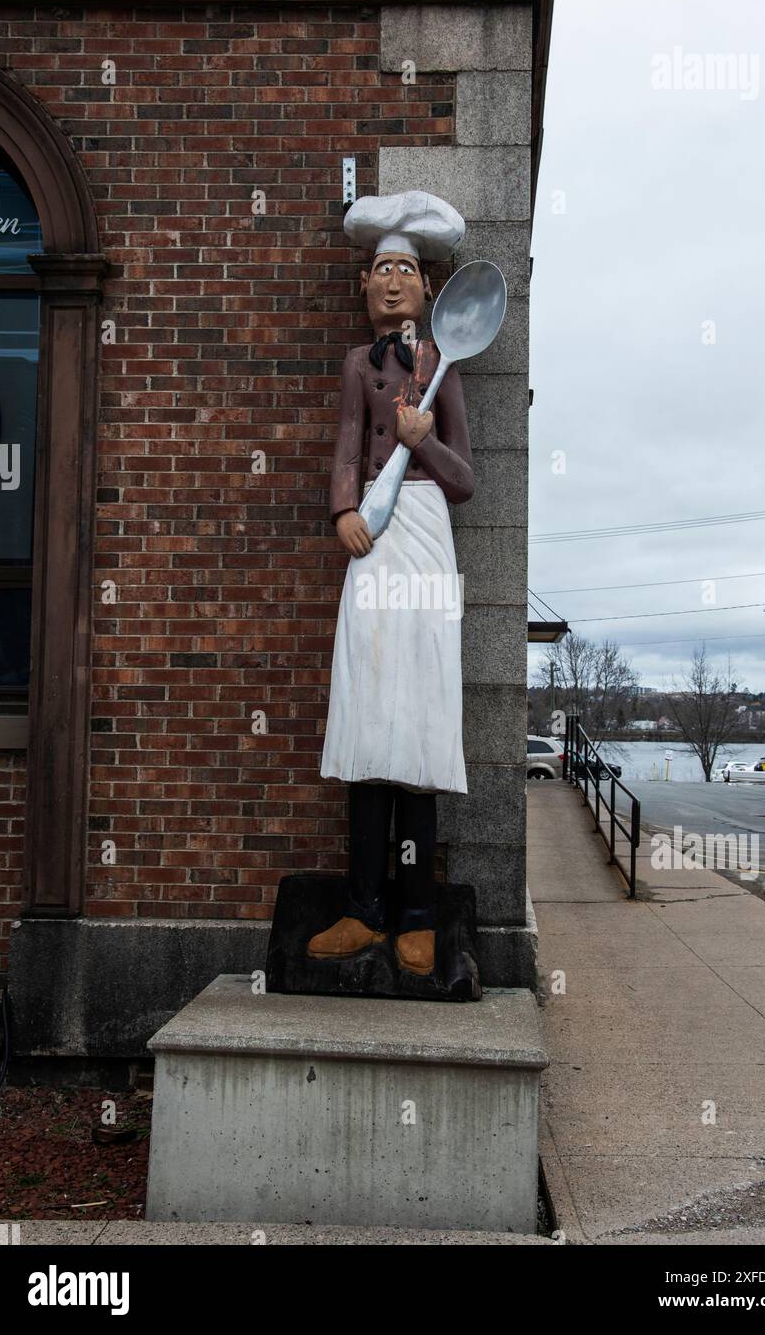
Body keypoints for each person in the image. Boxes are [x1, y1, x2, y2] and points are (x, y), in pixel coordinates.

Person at [309, 191, 473, 977]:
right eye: (379, 269)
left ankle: (416, 910)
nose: (391, 281)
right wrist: (341, 506)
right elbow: (345, 442)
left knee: (417, 707)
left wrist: (424, 444)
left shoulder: (442, 367)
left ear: (427, 287)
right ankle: (361, 907)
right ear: (364, 286)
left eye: (405, 268)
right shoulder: (354, 365)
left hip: (423, 531)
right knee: (370, 707)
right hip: (370, 537)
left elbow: (466, 478)